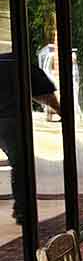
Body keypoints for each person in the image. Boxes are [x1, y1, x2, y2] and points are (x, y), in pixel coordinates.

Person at [0, 54, 61, 225]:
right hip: (10, 121)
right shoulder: (23, 64)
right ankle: (22, 210)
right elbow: (45, 94)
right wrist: (60, 110)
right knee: (21, 164)